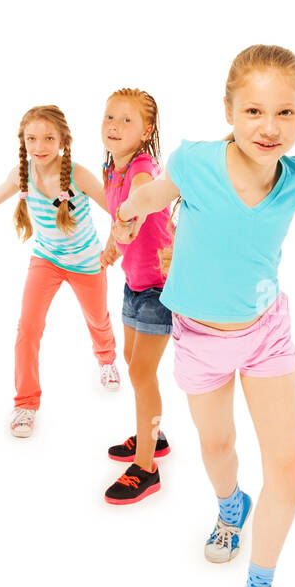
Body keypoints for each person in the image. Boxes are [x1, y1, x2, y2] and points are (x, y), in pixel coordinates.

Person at [113, 45, 295, 587]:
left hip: (267, 335)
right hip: (200, 340)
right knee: (219, 447)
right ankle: (230, 505)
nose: (270, 126)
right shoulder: (197, 162)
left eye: (285, 112)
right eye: (254, 110)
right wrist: (128, 212)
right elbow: (153, 195)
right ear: (229, 111)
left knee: (290, 468)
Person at [0, 106, 119, 437]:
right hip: (46, 260)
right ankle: (25, 404)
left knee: (97, 318)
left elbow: (119, 210)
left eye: (49, 138)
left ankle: (106, 360)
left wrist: (110, 246)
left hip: (87, 262)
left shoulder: (78, 175)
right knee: (28, 329)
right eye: (32, 139)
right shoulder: (22, 175)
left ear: (63, 140)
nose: (40, 146)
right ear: (23, 142)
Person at [98, 89, 175, 504]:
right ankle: (153, 433)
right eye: (110, 116)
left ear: (146, 131)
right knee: (133, 364)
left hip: (160, 287)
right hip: (134, 281)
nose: (114, 125)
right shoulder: (114, 167)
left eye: (127, 120)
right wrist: (115, 243)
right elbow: (120, 216)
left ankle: (147, 467)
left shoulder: (142, 167)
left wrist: (130, 221)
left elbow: (141, 200)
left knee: (142, 374)